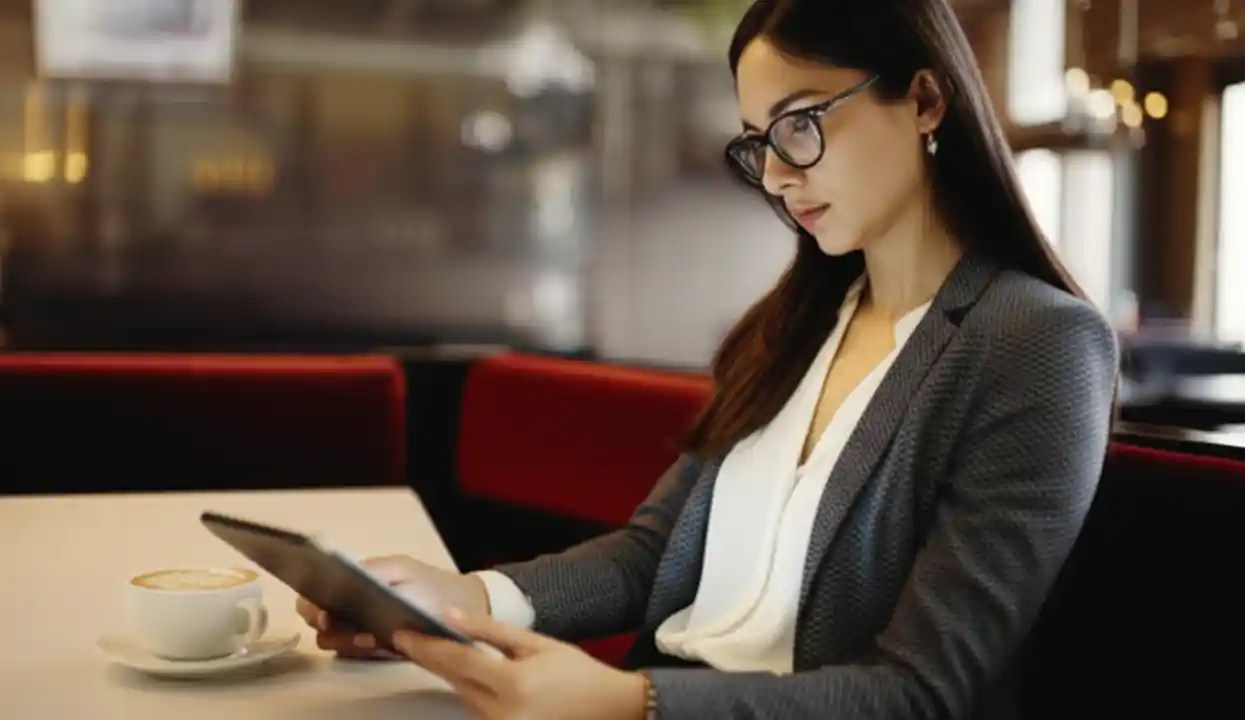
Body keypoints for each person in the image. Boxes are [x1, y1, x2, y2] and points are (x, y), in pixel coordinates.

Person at [297, 0, 1118, 717]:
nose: (779, 177)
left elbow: (921, 693)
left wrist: (634, 704)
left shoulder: (1036, 342)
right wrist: (468, 599)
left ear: (925, 99)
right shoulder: (791, 325)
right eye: (759, 144)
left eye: (800, 124)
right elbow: (656, 553)